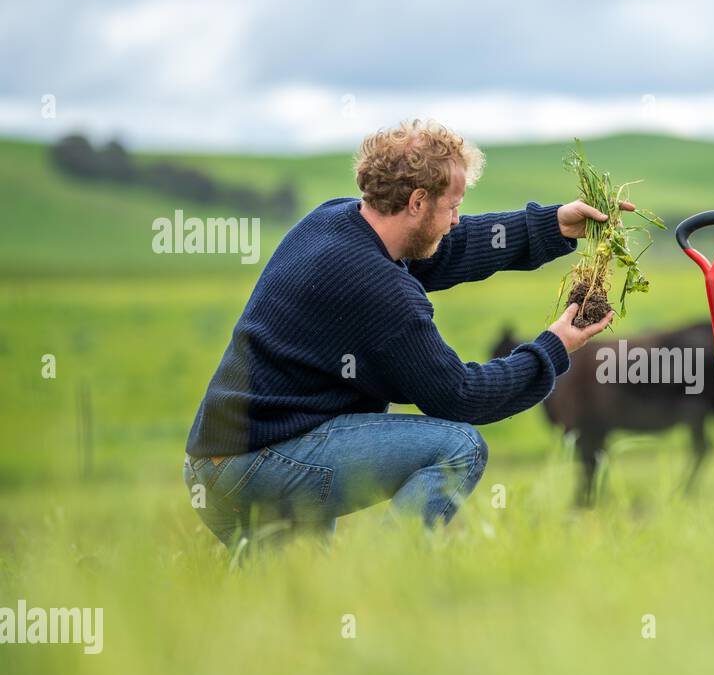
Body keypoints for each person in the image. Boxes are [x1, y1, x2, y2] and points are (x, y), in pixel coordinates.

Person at [183, 119, 621, 558]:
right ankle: (385, 573)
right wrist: (553, 348)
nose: (455, 220)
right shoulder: (380, 289)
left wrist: (554, 225)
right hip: (261, 465)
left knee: (298, 600)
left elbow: (448, 247)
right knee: (458, 448)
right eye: (451, 207)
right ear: (416, 201)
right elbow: (460, 396)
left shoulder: (336, 221)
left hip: (221, 463)